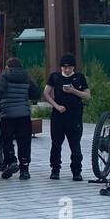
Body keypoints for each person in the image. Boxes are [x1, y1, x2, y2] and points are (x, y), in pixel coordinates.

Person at [44, 52, 90, 181]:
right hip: (58, 115)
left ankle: (76, 171)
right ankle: (55, 169)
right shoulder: (55, 77)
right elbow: (46, 93)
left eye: (69, 67)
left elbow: (87, 95)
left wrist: (73, 90)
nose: (67, 69)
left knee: (75, 144)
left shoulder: (80, 77)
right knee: (56, 143)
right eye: (64, 67)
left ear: (73, 67)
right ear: (61, 68)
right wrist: (56, 105)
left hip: (74, 115)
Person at [0, 56, 40, 180]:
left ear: (8, 66)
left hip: (7, 114)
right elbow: (35, 93)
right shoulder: (27, 77)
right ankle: (24, 170)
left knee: (6, 139)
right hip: (24, 115)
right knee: (24, 142)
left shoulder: (4, 75)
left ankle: (11, 161)